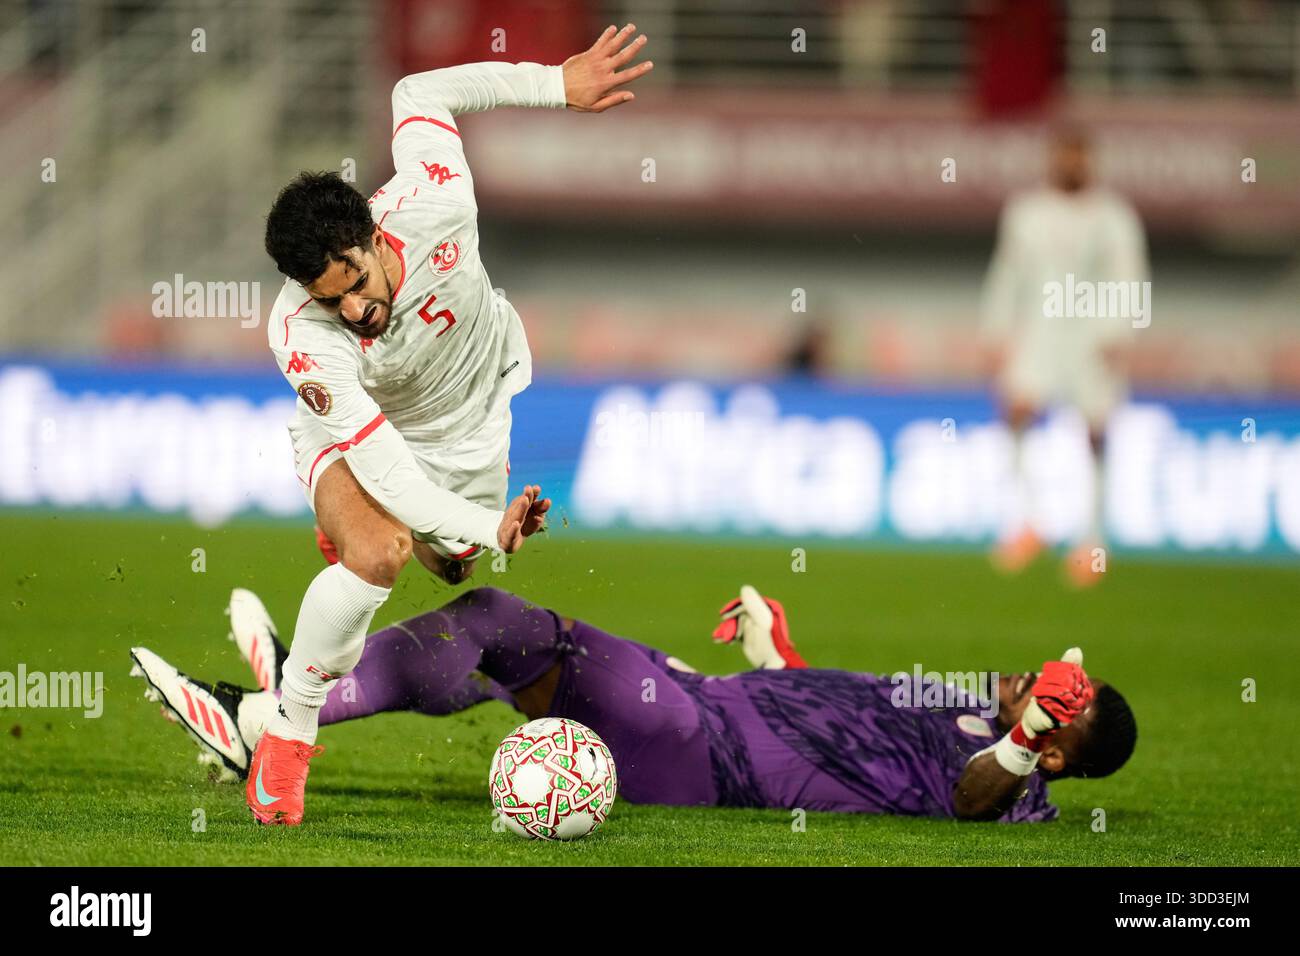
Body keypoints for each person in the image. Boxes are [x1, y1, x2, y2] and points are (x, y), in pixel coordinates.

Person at [254, 25, 653, 823]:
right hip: (370, 430)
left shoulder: (436, 194)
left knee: (455, 567)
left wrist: (555, 85)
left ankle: (376, 547)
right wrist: (490, 523)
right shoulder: (302, 332)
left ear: (373, 233)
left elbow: (420, 91)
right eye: (331, 299)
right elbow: (391, 469)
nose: (354, 310)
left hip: (470, 415)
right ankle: (287, 735)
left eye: (357, 282)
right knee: (381, 552)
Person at [131, 586, 1137, 824]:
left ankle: (270, 719)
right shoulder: (958, 704)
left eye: (1065, 705)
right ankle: (285, 699)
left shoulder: (1009, 787)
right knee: (489, 663)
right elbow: (834, 723)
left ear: (1057, 750)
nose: (1041, 680)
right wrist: (773, 651)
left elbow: (965, 800)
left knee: (507, 624)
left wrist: (1024, 738)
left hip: (696, 747)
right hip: (707, 703)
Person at [980, 127, 1149, 586]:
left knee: (1094, 433)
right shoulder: (1027, 211)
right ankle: (1032, 520)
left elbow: (1130, 275)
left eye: (1079, 157)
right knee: (1015, 413)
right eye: (1064, 155)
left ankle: (1093, 543)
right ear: (1053, 159)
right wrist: (996, 329)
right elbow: (1009, 271)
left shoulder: (1113, 215)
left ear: (1089, 161)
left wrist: (1124, 331)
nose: (1071, 164)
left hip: (1093, 336)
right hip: (1040, 332)